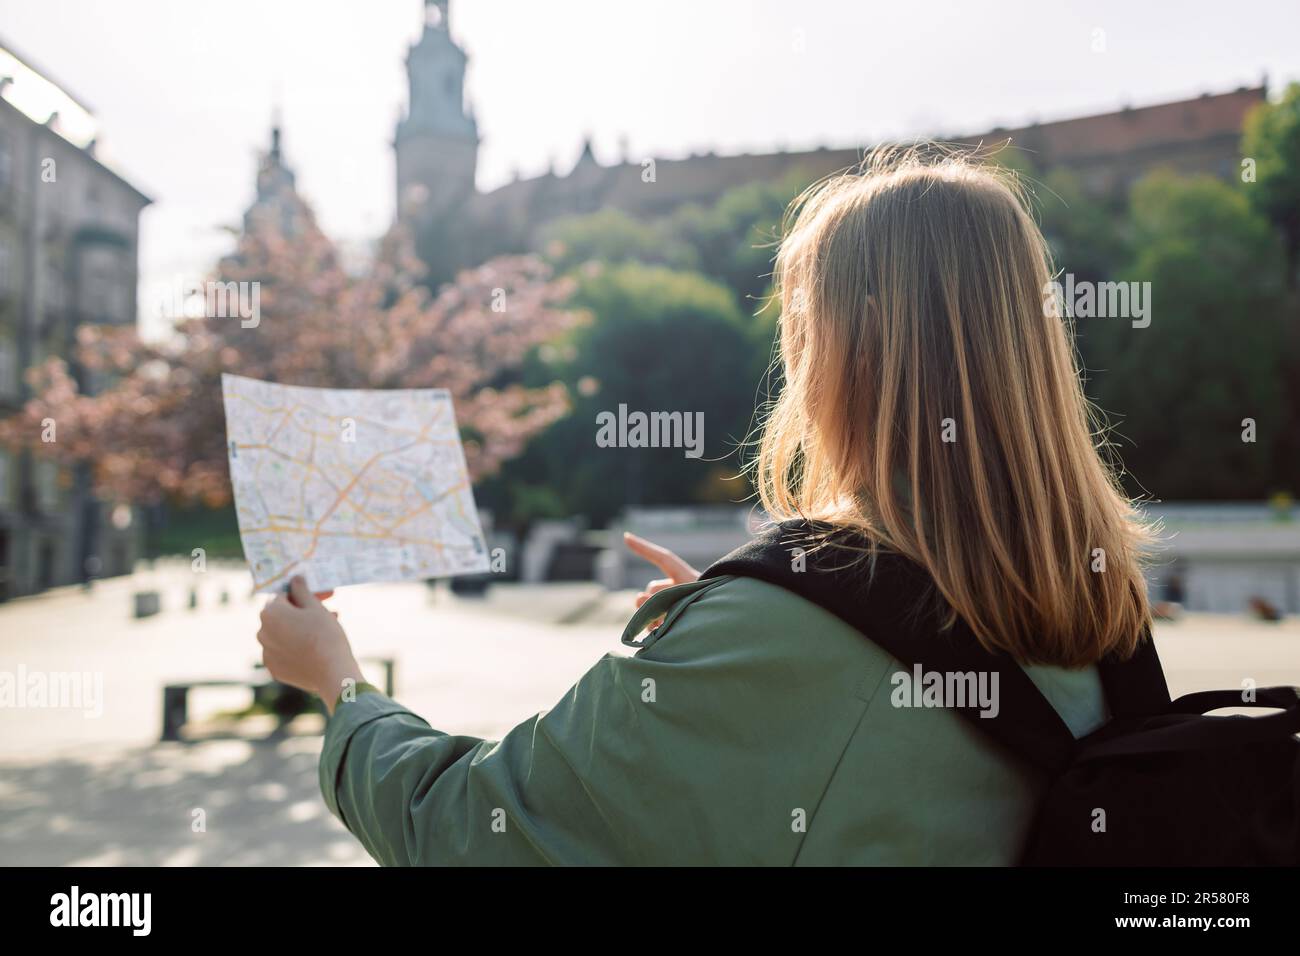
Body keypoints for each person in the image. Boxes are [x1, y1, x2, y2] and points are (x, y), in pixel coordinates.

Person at [255, 148, 1156, 865]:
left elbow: (464, 826)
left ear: (852, 352)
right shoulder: (1106, 610)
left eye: (804, 331)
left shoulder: (779, 637)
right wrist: (755, 625)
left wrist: (338, 683)